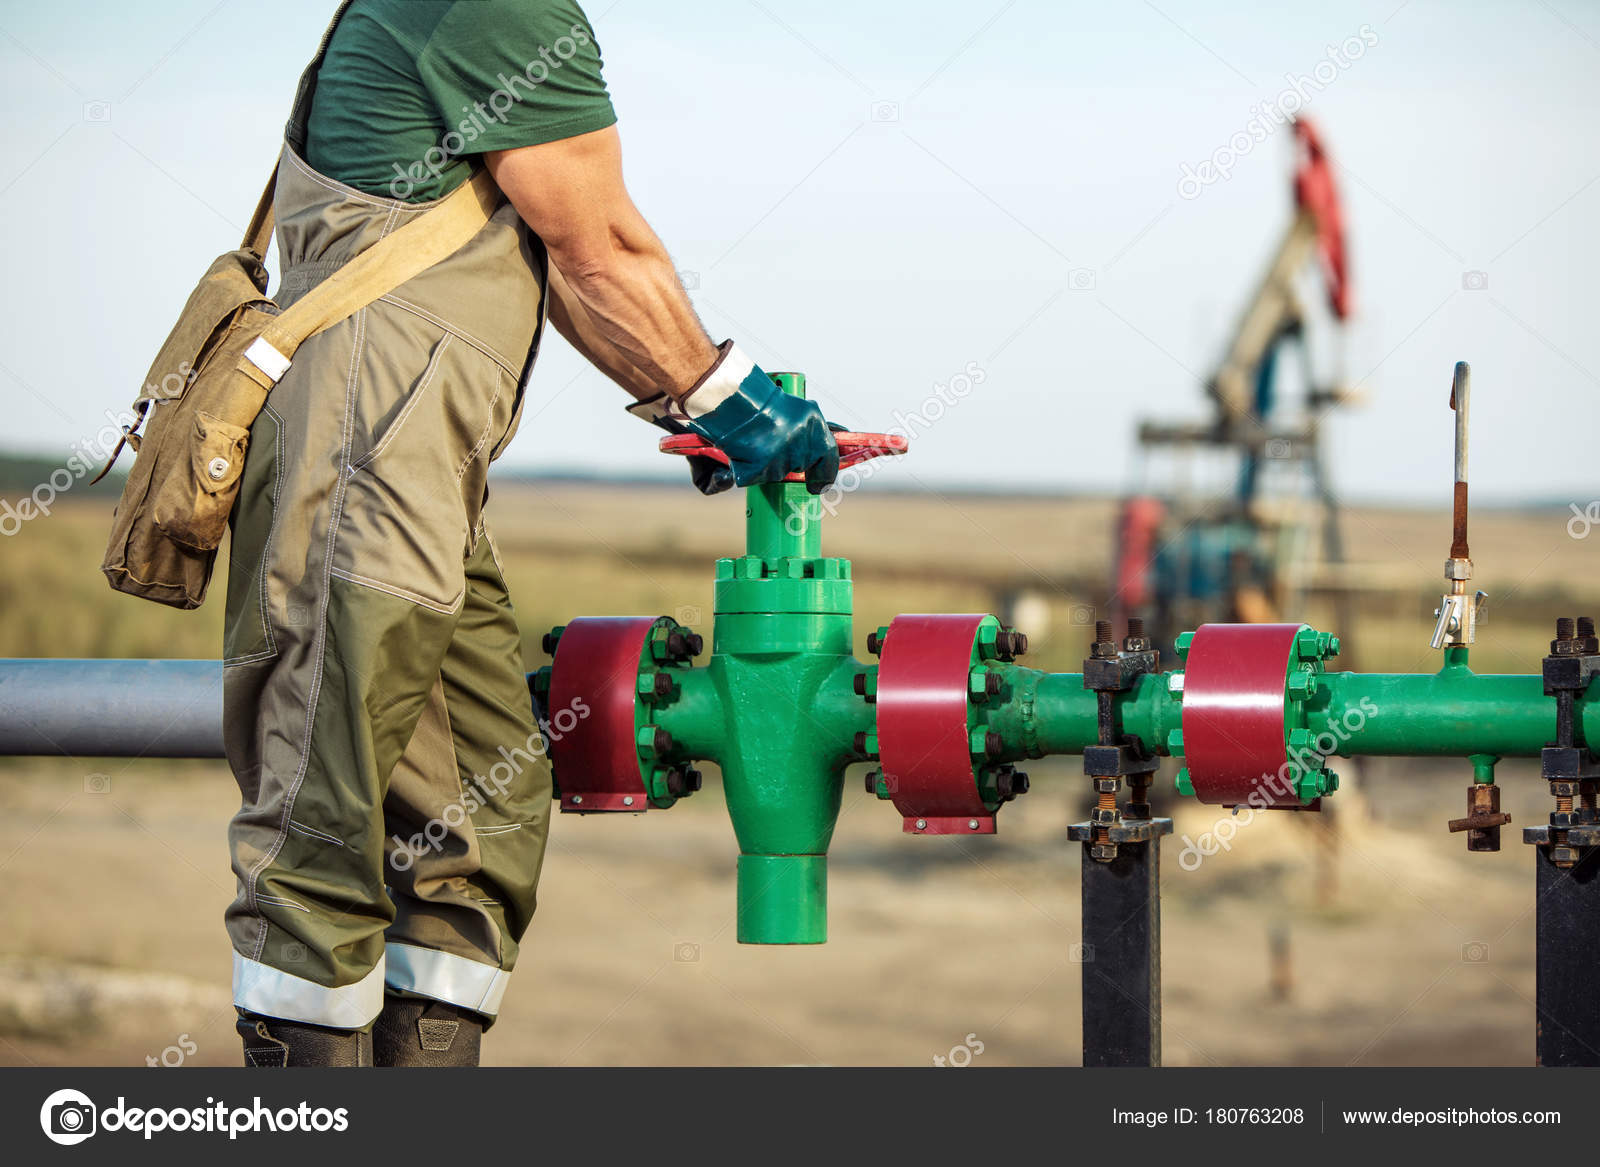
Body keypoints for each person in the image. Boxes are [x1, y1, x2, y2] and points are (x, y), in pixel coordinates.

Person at [224, 0, 839, 1067]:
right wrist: (735, 401)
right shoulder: (500, 5)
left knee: (481, 803)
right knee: (326, 824)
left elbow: (561, 268)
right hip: (361, 459)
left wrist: (691, 405)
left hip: (416, 467)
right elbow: (596, 245)